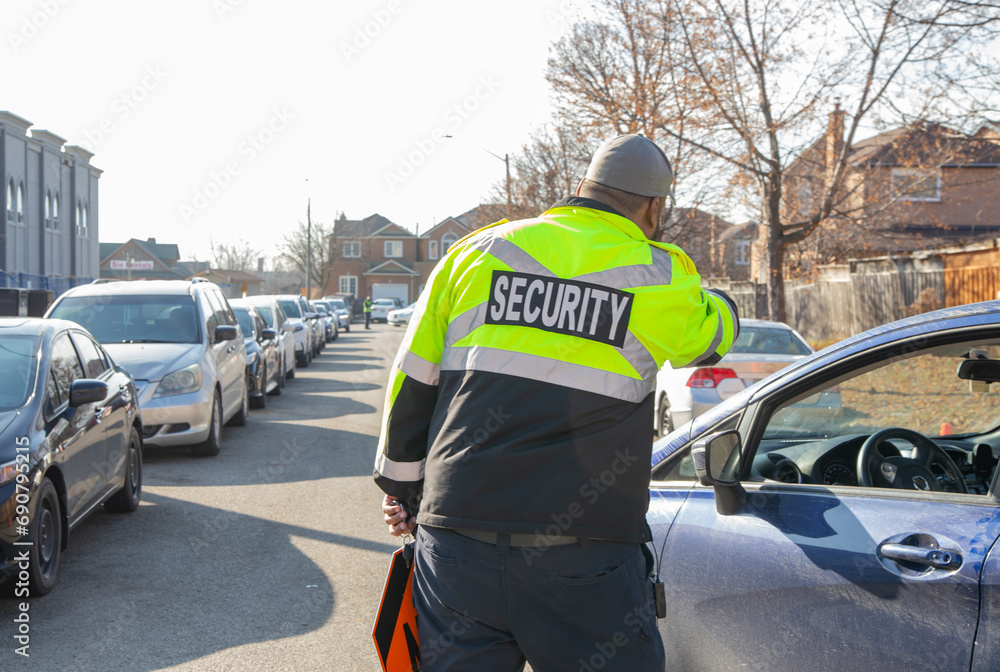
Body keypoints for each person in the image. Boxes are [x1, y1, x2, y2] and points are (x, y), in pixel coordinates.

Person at [374, 134, 740, 671]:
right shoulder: (658, 275)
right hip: (583, 552)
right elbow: (712, 338)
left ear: (583, 187)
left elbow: (413, 382)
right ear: (654, 207)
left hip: (457, 540)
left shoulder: (474, 253)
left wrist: (403, 491)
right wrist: (721, 302)